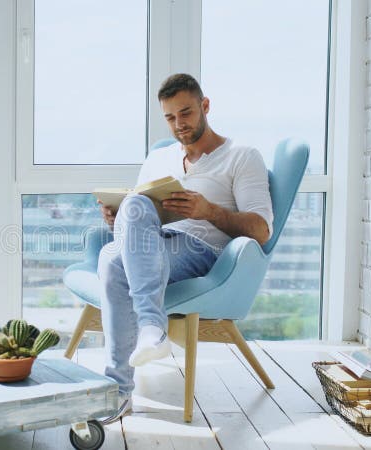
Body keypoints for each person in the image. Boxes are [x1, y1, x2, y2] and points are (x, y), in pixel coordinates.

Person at [97, 73, 273, 422]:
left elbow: (262, 230)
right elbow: (139, 218)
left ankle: (118, 388)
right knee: (119, 240)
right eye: (170, 117)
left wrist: (208, 211)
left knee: (111, 261)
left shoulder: (241, 156)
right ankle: (150, 331)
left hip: (201, 252)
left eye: (186, 113)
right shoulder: (160, 158)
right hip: (155, 246)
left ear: (205, 106)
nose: (179, 124)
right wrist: (117, 218)